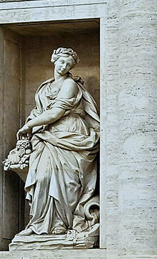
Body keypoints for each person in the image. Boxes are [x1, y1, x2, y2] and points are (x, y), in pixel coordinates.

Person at [6, 47, 101, 243]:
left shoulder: (69, 85)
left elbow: (56, 112)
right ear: (53, 60)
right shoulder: (45, 86)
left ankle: (61, 223)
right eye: (61, 62)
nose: (64, 66)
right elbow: (40, 110)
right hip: (47, 135)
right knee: (43, 176)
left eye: (68, 65)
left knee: (67, 181)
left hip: (70, 133)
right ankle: (38, 223)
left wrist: (30, 125)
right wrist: (33, 122)